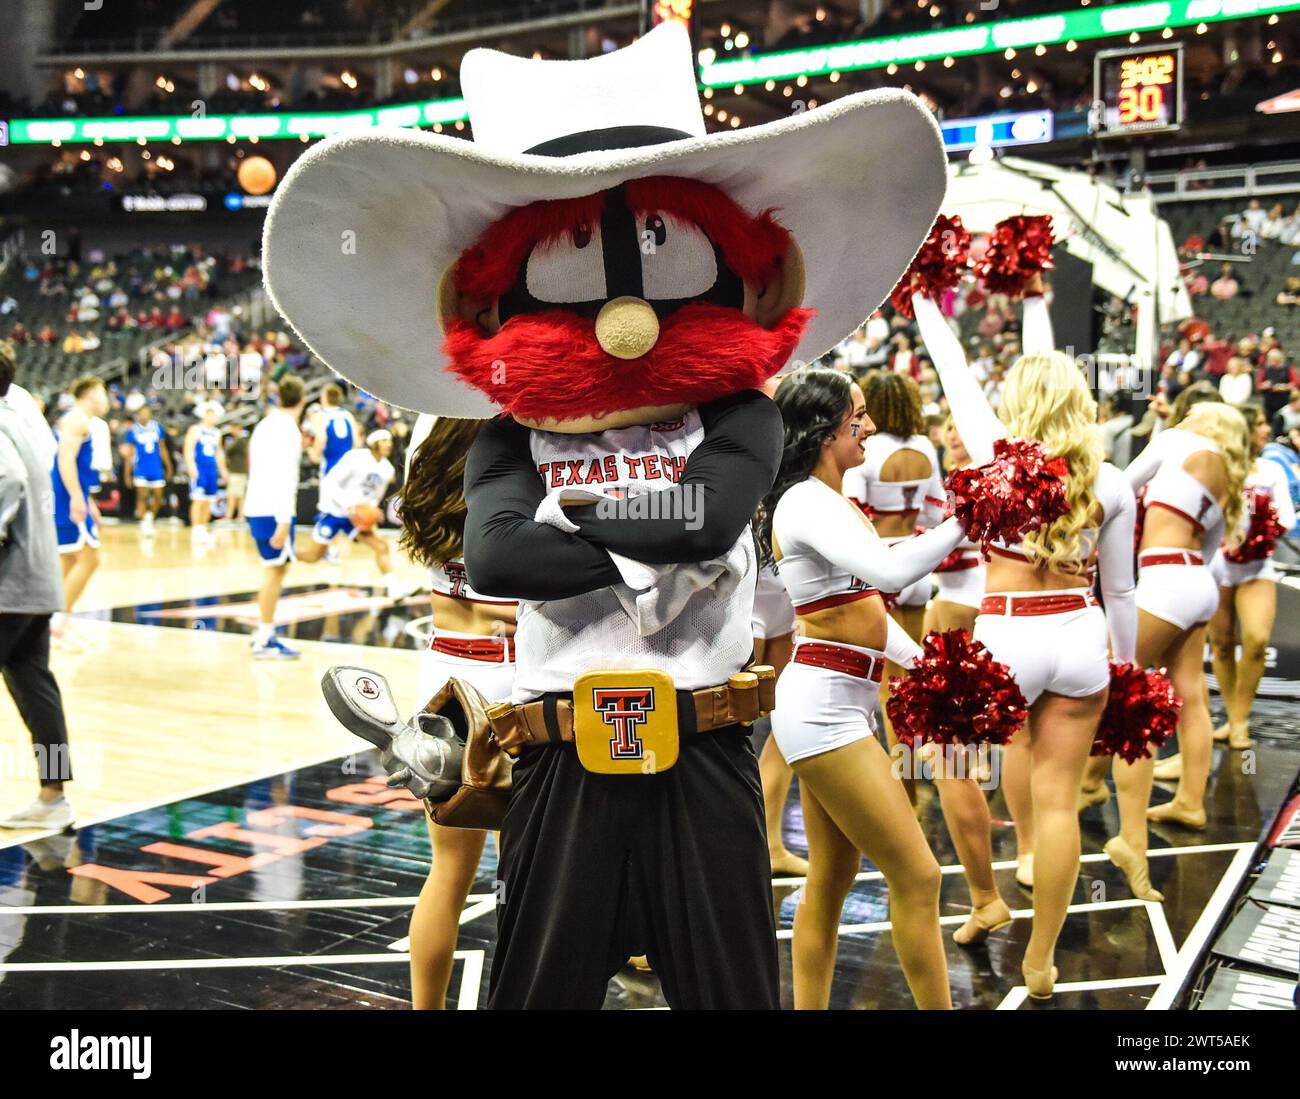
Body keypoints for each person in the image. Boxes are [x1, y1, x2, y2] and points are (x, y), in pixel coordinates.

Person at [916, 279, 1137, 999]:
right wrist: (1129, 669)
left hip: (1008, 633)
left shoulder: (994, 451)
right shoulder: (1112, 480)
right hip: (1080, 632)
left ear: (1019, 403)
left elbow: (951, 368)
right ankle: (1041, 957)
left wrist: (926, 298)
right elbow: (1123, 589)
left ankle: (999, 876)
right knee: (1062, 796)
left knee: (962, 759)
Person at [765, 367, 963, 1007]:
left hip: (844, 698)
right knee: (919, 874)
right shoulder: (802, 501)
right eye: (859, 415)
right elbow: (889, 570)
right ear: (827, 428)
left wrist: (926, 665)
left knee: (830, 878)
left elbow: (865, 613)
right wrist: (971, 519)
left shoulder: (832, 500)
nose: (871, 426)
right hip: (822, 710)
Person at [1092, 403, 1249, 870]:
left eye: (1192, 410)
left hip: (1164, 580)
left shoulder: (1175, 442)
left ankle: (1101, 798)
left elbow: (1116, 486)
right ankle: (1190, 802)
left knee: (1115, 684)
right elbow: (1208, 543)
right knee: (1191, 695)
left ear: (1205, 420)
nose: (1183, 414)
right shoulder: (1227, 471)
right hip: (1197, 581)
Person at [399, 413, 517, 1009]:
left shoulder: (424, 474)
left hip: (442, 678)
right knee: (526, 871)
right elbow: (518, 607)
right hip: (508, 682)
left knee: (447, 873)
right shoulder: (508, 474)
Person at [841, 370, 945, 799]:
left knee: (887, 689)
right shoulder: (925, 447)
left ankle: (902, 787)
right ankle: (918, 771)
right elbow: (937, 513)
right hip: (917, 567)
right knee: (913, 681)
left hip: (880, 565)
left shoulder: (870, 450)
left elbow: (852, 514)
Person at [0, 342, 75, 830]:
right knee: (35, 685)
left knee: (34, 685)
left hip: (8, 580)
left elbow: (7, 477)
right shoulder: (23, 403)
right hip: (40, 570)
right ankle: (53, 797)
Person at [1206, 405, 1296, 750]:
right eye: (1258, 423)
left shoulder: (1271, 469)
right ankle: (1234, 717)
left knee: (1257, 641)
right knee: (1223, 643)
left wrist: (1263, 530)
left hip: (1257, 567)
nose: (1265, 428)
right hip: (1217, 566)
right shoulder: (1215, 467)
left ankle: (1240, 718)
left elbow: (1286, 517)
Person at [242, 375, 307, 659]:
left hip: (257, 503)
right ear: (302, 400)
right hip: (273, 509)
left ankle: (262, 632)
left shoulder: (265, 424)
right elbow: (285, 475)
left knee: (272, 571)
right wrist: (283, 518)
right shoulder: (289, 430)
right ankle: (264, 638)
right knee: (274, 573)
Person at [310, 428, 403, 597]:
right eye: (383, 441)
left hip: (356, 518)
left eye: (389, 441)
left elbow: (374, 497)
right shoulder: (355, 457)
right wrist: (350, 506)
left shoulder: (387, 469)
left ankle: (394, 589)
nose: (388, 445)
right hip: (335, 512)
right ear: (373, 444)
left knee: (381, 547)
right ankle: (287, 555)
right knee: (313, 556)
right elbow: (330, 482)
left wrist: (372, 511)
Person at [51, 375, 108, 615]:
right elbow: (65, 460)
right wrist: (76, 497)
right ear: (92, 393)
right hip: (66, 498)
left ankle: (47, 622)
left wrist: (88, 500)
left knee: (69, 560)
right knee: (89, 559)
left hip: (71, 496)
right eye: (103, 392)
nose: (107, 399)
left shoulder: (79, 420)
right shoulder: (76, 420)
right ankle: (58, 621)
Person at [123, 405, 171, 536]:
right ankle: (144, 521)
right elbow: (130, 453)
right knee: (142, 496)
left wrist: (168, 466)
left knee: (158, 496)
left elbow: (163, 448)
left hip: (156, 468)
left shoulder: (157, 427)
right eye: (142, 413)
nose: (144, 415)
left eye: (147, 412)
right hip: (140, 468)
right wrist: (127, 473)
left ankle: (150, 518)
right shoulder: (133, 430)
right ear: (138, 414)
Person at [184, 400, 226, 547]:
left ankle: (203, 528)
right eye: (210, 414)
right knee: (198, 500)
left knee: (209, 501)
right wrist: (191, 467)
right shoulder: (195, 430)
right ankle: (196, 530)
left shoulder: (217, 433)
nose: (213, 418)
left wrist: (223, 471)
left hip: (211, 470)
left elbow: (219, 453)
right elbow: (188, 449)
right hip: (199, 468)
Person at [308, 382, 357, 475]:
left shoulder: (320, 415)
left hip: (330, 466)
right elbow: (357, 442)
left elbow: (321, 438)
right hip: (348, 467)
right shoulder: (348, 415)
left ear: (324, 398)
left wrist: (314, 455)